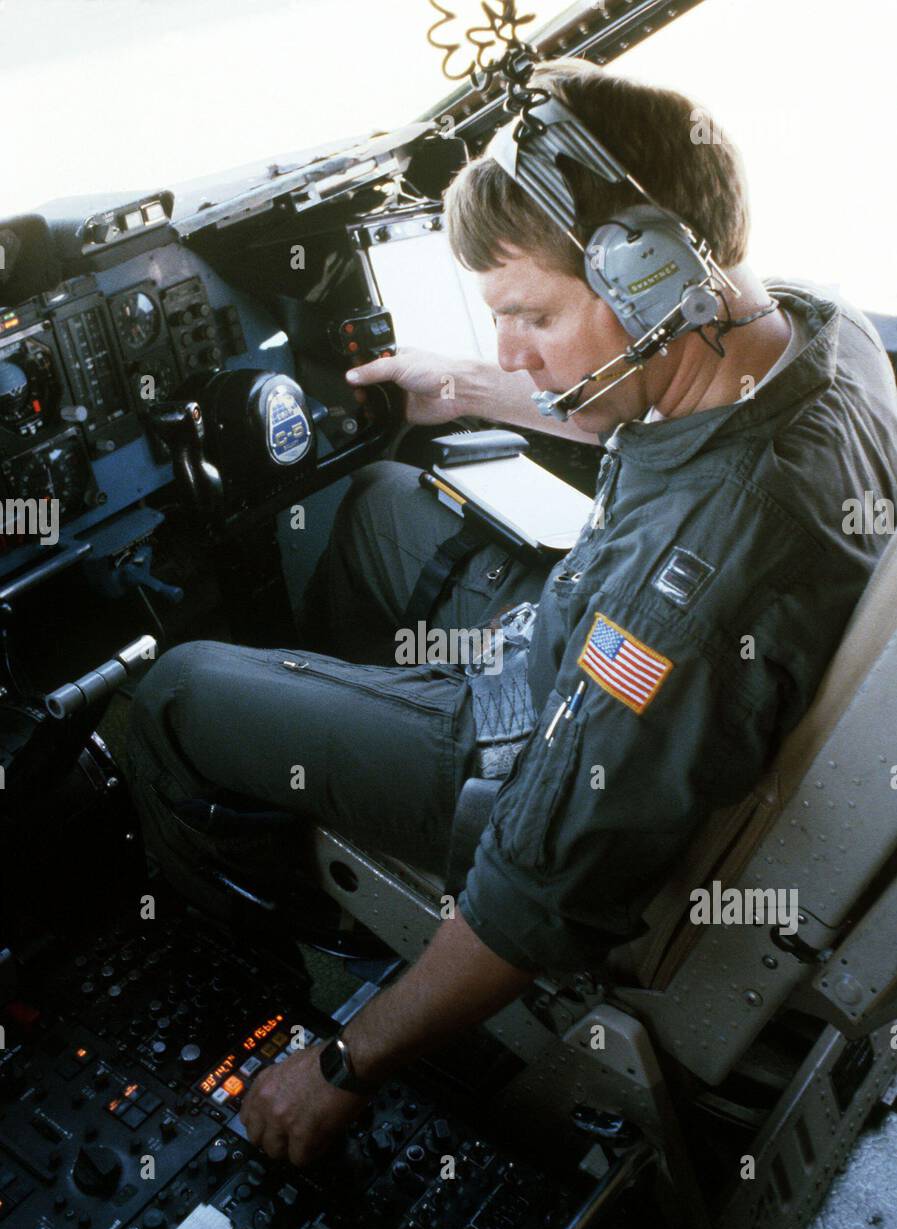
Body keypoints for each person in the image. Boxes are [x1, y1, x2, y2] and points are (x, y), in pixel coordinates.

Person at [126, 60, 897, 1166]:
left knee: (175, 695)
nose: (506, 351)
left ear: (649, 281)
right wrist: (475, 392)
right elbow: (668, 430)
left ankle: (284, 966)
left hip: (538, 751)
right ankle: (325, 798)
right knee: (387, 499)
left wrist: (343, 1063)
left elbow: (541, 892)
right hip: (586, 641)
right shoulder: (815, 339)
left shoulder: (691, 583)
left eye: (529, 316)